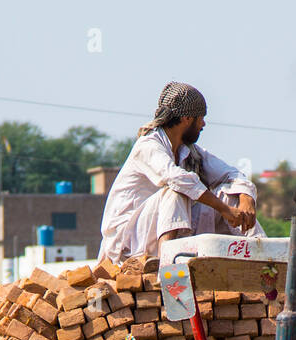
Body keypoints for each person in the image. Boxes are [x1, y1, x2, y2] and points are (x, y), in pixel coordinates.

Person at [99, 81, 265, 263]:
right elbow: (177, 179)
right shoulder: (148, 145)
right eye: (200, 118)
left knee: (228, 193)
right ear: (187, 118)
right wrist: (224, 210)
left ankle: (266, 262)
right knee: (177, 190)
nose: (203, 124)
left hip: (163, 228)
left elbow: (231, 175)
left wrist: (245, 201)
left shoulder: (191, 152)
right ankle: (166, 264)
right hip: (128, 239)